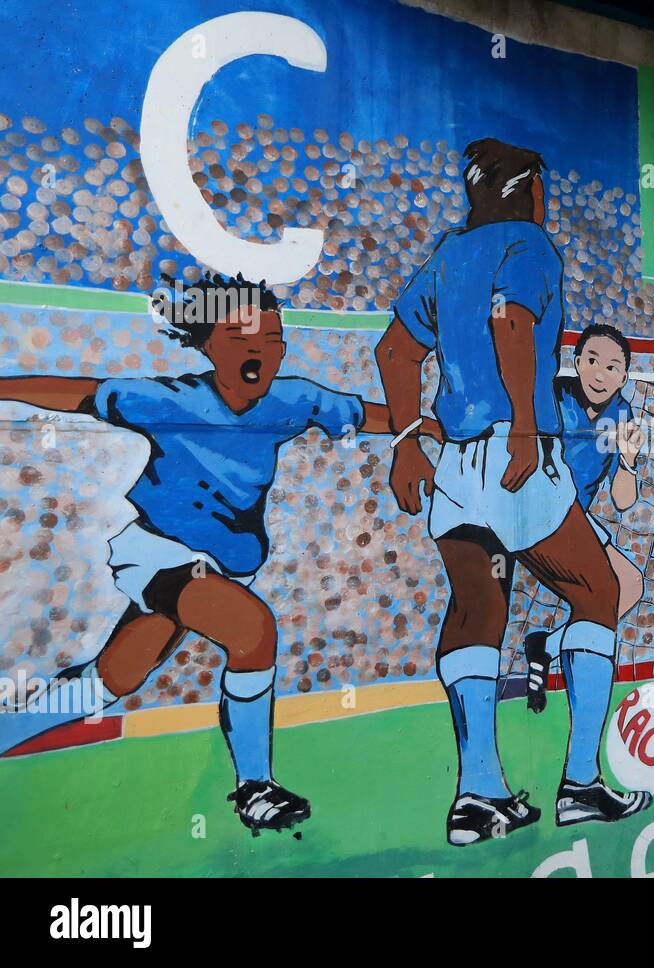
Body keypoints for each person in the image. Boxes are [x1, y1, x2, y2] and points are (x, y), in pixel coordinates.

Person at [0, 272, 422, 832]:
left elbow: (363, 413)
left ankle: (10, 728)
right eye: (242, 341)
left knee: (113, 679)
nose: (260, 354)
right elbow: (80, 392)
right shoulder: (168, 399)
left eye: (272, 343)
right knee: (252, 630)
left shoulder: (292, 400)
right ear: (207, 344)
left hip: (226, 563)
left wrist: (429, 429)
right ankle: (255, 787)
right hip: (158, 554)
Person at [376, 138, 651, 846]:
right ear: (528, 188)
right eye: (543, 190)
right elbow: (511, 320)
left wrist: (408, 441)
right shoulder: (529, 243)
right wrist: (528, 426)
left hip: (458, 463)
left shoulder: (445, 254)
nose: (546, 202)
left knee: (477, 609)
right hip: (513, 451)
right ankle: (582, 784)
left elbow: (395, 350)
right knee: (596, 590)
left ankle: (479, 796)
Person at [523, 323, 645, 713]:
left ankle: (548, 646)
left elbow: (623, 501)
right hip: (534, 509)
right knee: (604, 593)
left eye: (612, 367)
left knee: (630, 585)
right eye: (592, 360)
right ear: (577, 363)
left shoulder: (621, 413)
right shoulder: (553, 395)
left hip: (574, 520)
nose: (599, 373)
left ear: (623, 376)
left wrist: (627, 461)